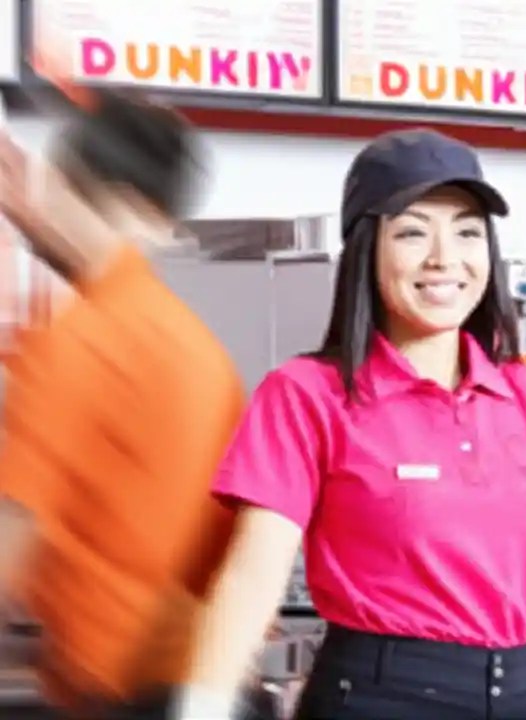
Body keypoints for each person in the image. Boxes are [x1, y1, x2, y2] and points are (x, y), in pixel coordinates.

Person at [176, 128, 526, 720]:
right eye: (413, 232)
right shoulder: (307, 396)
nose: (444, 259)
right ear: (367, 248)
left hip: (523, 700)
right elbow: (250, 585)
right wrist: (201, 706)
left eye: (468, 232)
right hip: (380, 701)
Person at [0, 93, 247, 719]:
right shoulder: (199, 348)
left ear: (61, 184)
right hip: (199, 679)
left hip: (109, 688)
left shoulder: (76, 341)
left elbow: (10, 540)